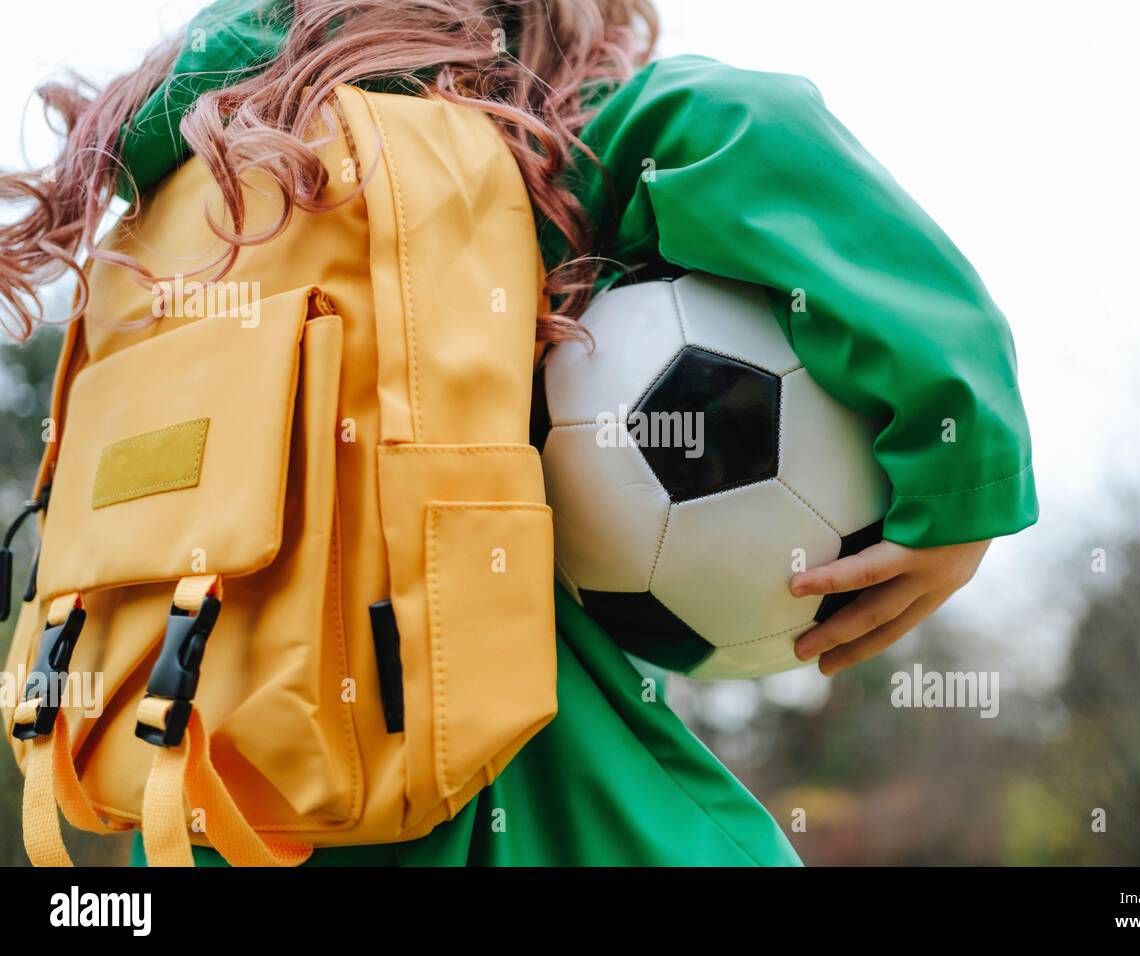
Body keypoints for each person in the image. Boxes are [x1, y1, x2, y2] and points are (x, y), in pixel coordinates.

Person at [0, 0, 1037, 866]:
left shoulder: (195, 185)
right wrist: (964, 481)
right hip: (495, 789)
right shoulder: (486, 161)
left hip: (209, 788)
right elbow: (741, 123)